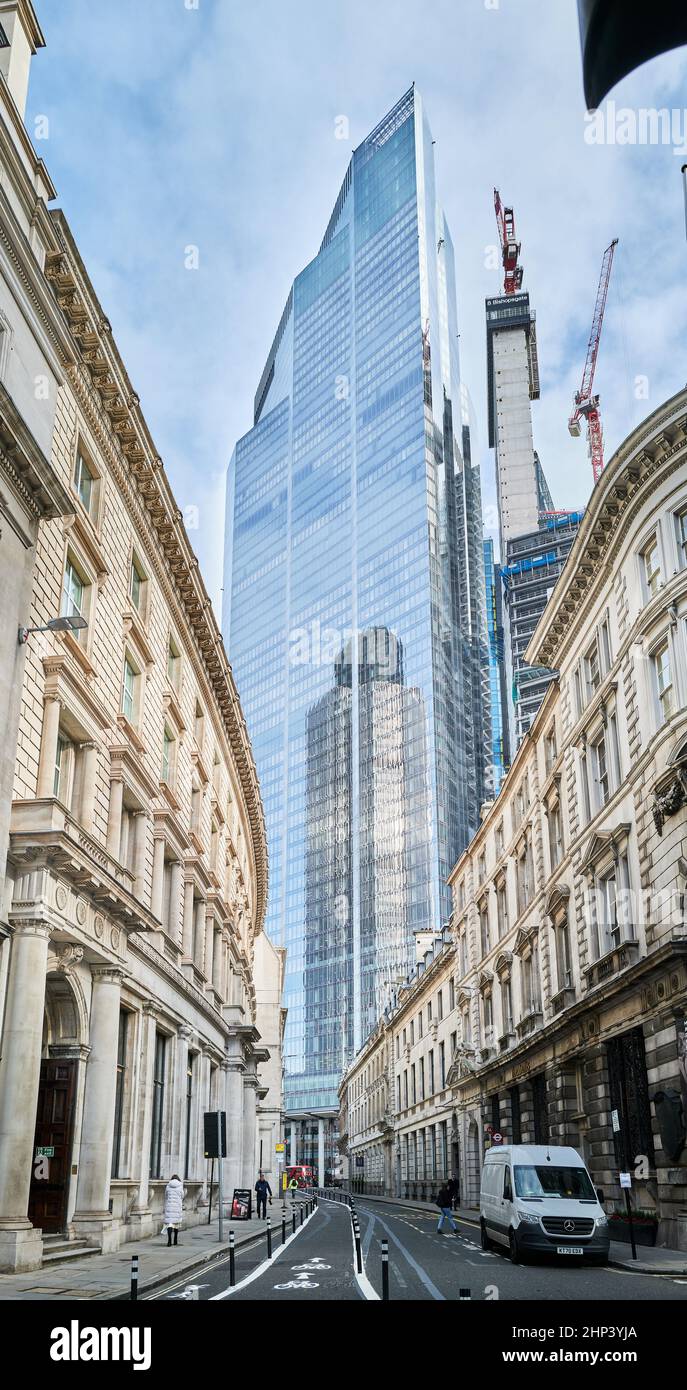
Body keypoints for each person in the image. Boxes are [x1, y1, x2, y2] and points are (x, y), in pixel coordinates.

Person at [163, 1174, 185, 1247]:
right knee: (176, 1224)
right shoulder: (180, 1186)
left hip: (169, 1207)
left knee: (169, 1224)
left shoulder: (168, 1185)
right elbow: (182, 1196)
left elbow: (166, 1196)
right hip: (177, 1207)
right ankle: (175, 1240)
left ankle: (169, 1241)